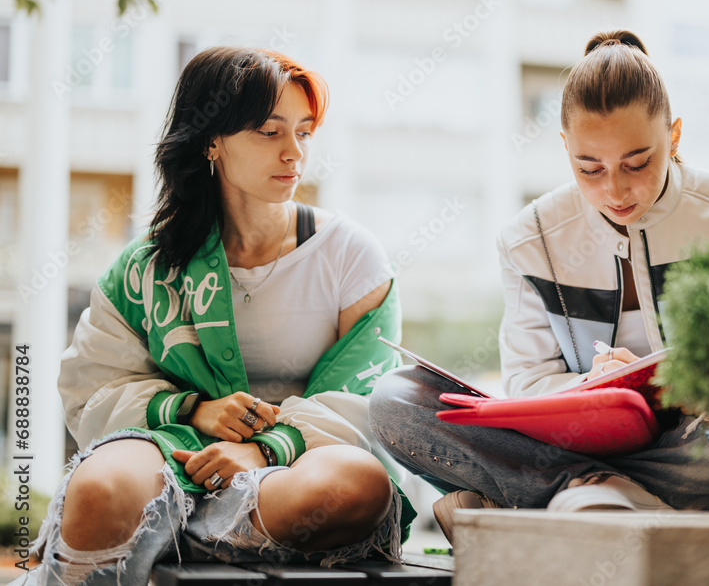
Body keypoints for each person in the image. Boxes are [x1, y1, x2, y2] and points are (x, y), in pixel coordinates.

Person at [369, 29, 709, 543]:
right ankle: (608, 494)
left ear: (674, 136)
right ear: (564, 147)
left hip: (692, 445)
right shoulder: (529, 238)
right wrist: (590, 387)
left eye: (638, 163)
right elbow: (525, 380)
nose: (614, 189)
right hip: (568, 445)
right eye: (588, 167)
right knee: (396, 400)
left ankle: (555, 502)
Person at [19, 47, 415, 586]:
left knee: (353, 485)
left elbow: (369, 398)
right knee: (101, 488)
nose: (294, 153)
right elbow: (91, 388)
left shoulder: (349, 255)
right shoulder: (146, 268)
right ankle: (173, 519)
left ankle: (177, 530)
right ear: (211, 140)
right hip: (173, 446)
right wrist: (193, 409)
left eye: (304, 132)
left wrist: (261, 449)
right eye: (269, 132)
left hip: (301, 461)